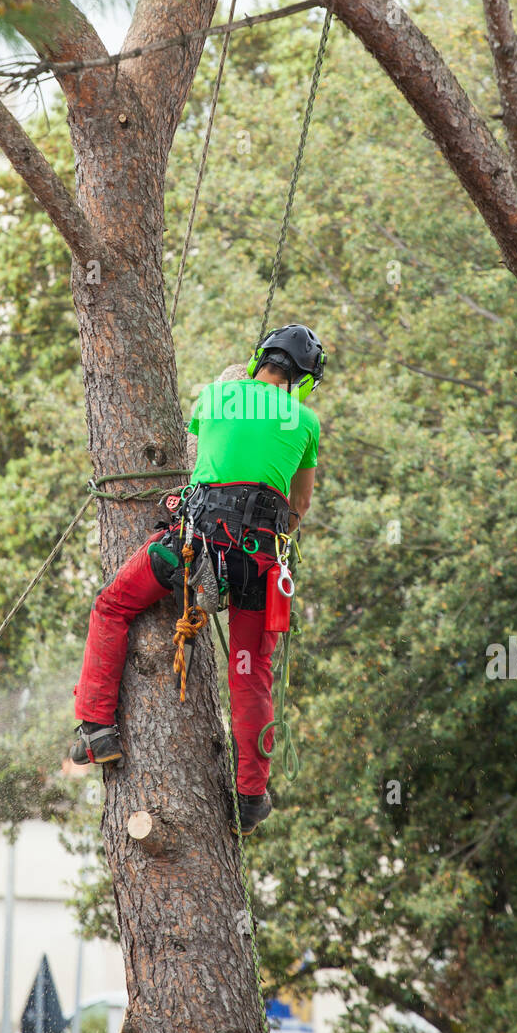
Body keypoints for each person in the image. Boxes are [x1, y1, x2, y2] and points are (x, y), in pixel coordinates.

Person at [71, 324, 325, 834]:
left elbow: (197, 460)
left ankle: (98, 728)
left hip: (192, 550)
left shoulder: (215, 394)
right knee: (251, 673)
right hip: (257, 564)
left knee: (112, 606)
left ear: (258, 362)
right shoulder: (306, 422)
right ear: (303, 379)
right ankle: (250, 797)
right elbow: (298, 508)